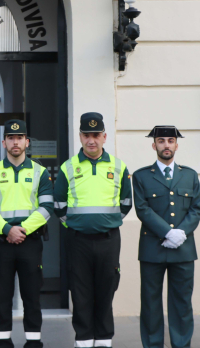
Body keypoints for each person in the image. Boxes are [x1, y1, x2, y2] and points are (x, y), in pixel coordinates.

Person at [53, 112, 132, 348]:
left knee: (107, 289)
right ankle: (84, 339)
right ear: (80, 136)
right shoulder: (68, 167)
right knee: (80, 292)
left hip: (109, 239)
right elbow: (59, 206)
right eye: (87, 135)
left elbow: (126, 203)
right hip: (78, 240)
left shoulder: (118, 166)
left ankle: (104, 339)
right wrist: (79, 224)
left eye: (96, 135)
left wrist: (105, 222)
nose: (91, 140)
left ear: (104, 136)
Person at [0, 119, 53, 348]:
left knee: (32, 295)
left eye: (19, 137)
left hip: (30, 241)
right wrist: (7, 230)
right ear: (4, 142)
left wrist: (23, 230)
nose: (15, 142)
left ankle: (33, 342)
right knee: (2, 295)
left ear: (26, 142)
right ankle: (2, 342)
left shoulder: (40, 171)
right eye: (11, 138)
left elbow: (47, 207)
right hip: (1, 242)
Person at [133, 125, 200, 348]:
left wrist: (181, 233)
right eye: (161, 141)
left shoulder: (190, 175)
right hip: (153, 249)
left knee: (182, 303)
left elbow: (196, 207)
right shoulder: (142, 176)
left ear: (176, 145)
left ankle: (181, 344)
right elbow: (142, 209)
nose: (166, 145)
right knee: (151, 304)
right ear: (154, 145)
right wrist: (167, 232)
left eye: (170, 141)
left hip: (183, 248)